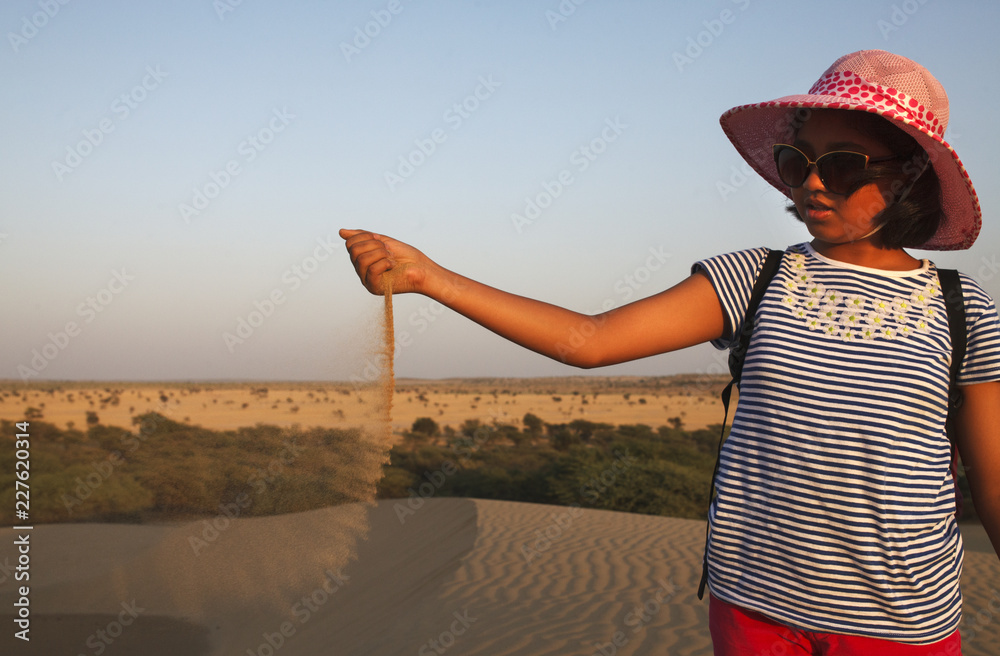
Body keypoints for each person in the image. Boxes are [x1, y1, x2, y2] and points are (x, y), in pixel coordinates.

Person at [342, 50, 1000, 655]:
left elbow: (991, 477)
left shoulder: (964, 309)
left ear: (910, 175)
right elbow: (592, 341)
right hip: (755, 612)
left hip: (903, 623)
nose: (813, 184)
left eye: (844, 165)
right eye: (799, 163)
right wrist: (432, 277)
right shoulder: (755, 278)